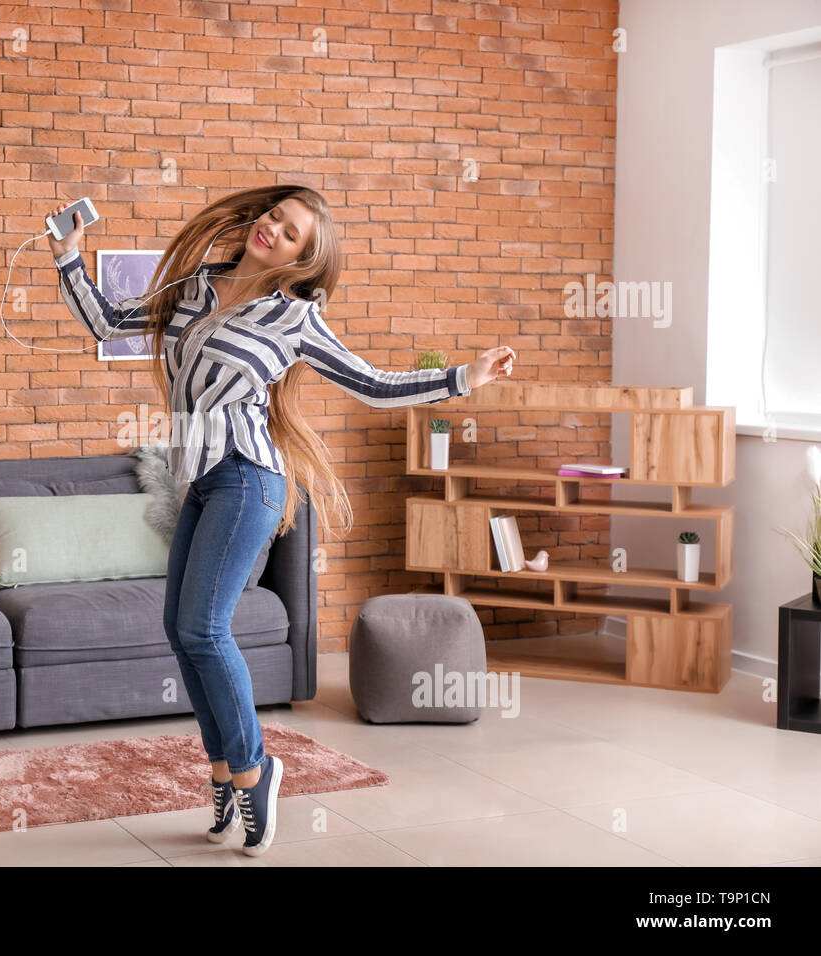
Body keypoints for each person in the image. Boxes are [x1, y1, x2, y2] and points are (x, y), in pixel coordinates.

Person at [47, 184, 514, 855]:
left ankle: (256, 770)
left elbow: (373, 383)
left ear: (301, 261)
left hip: (248, 479)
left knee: (204, 629)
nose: (273, 228)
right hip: (202, 482)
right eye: (275, 215)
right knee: (182, 633)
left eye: (291, 232)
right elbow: (108, 323)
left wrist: (462, 377)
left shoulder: (295, 317)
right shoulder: (197, 283)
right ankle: (222, 771)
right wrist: (68, 254)